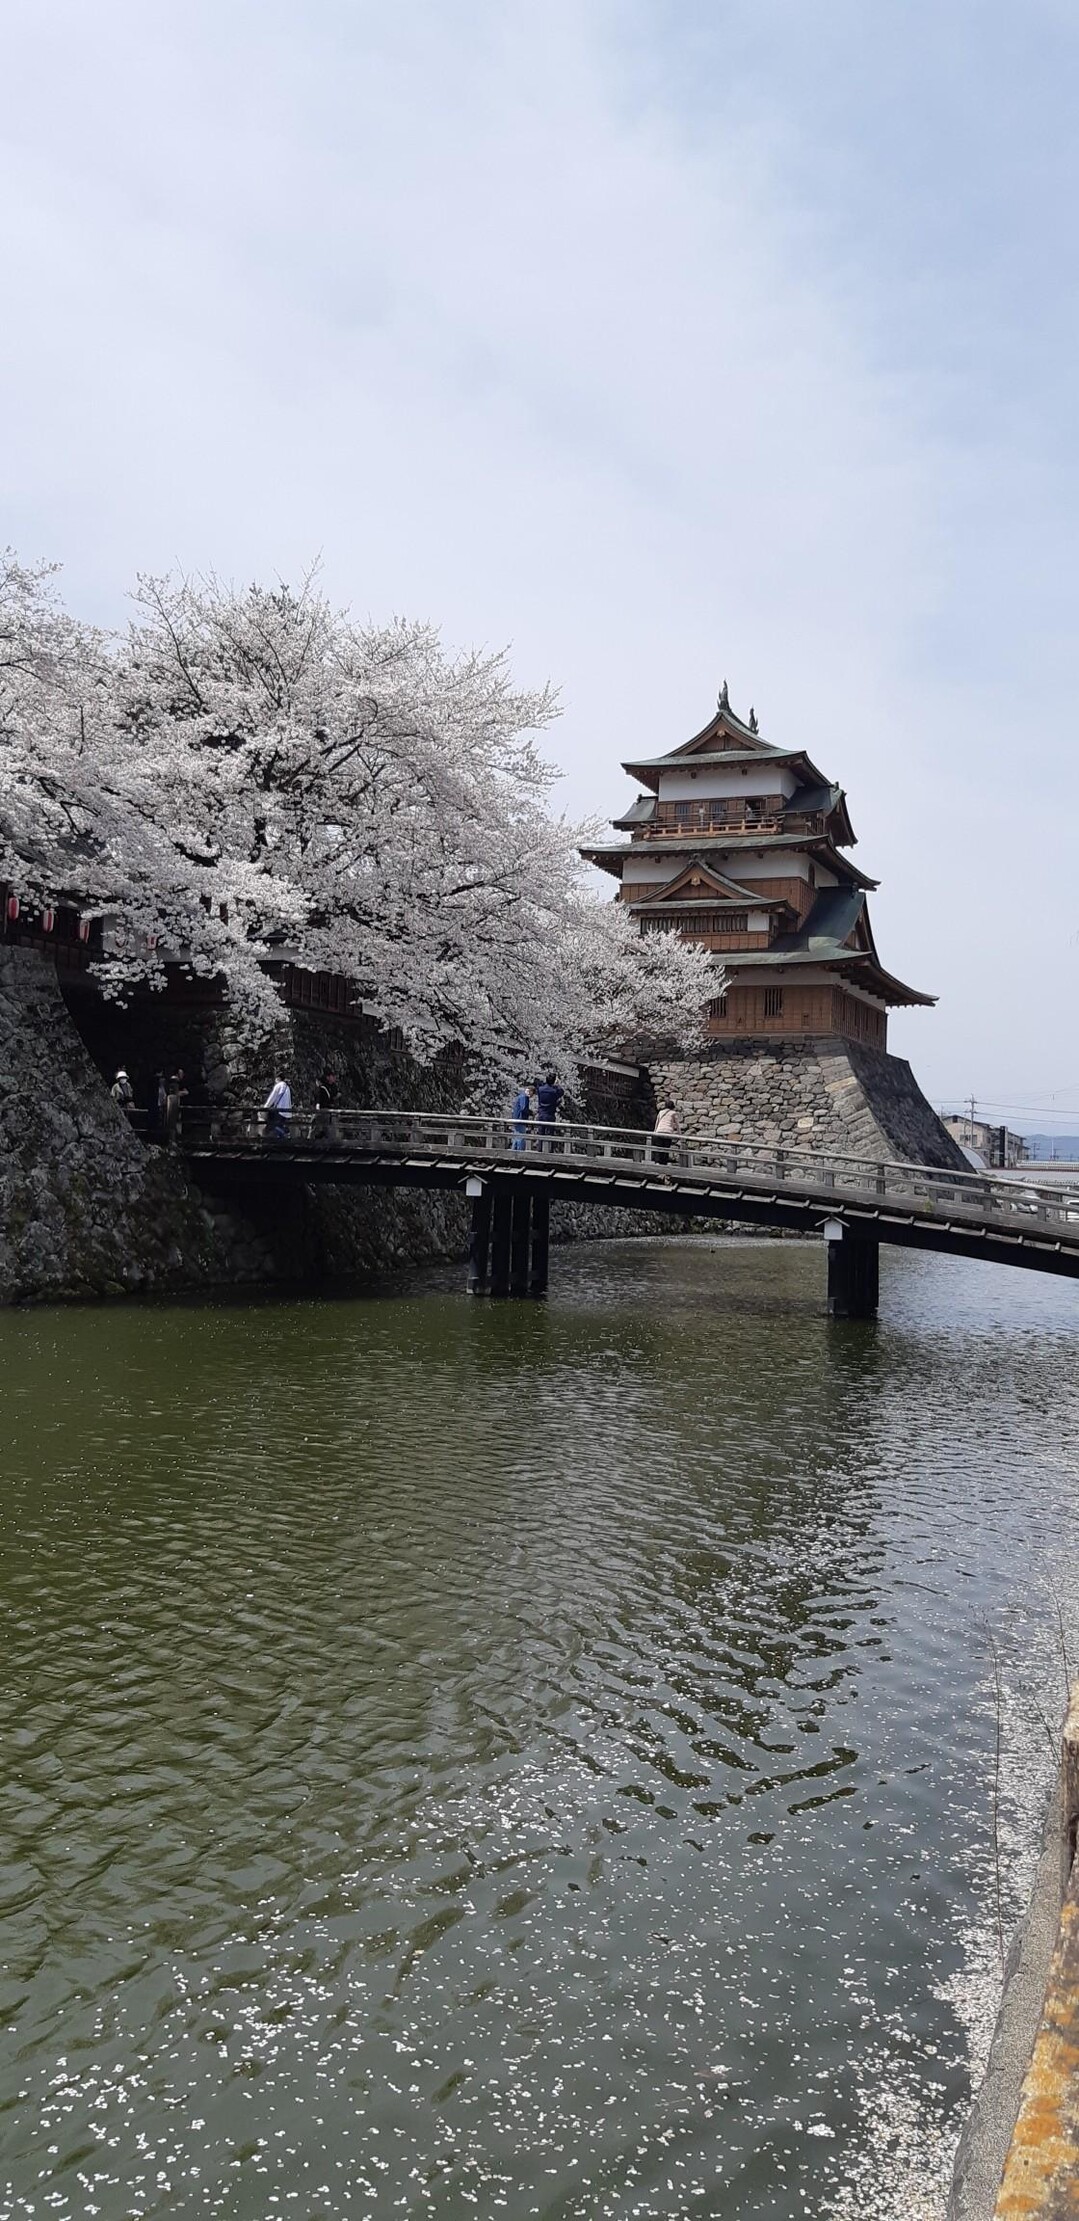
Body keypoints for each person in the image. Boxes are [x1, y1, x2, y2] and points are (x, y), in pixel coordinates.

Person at [536, 1071, 564, 1152]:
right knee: (550, 1135)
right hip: (550, 1114)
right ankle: (549, 1151)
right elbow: (561, 1092)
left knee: (540, 1133)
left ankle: (540, 1151)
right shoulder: (554, 1091)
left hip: (541, 1113)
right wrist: (557, 1084)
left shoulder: (540, 1089)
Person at [264, 1072, 292, 1141]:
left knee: (272, 1125)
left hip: (279, 1111)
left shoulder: (278, 1085)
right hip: (287, 1112)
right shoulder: (287, 1087)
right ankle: (283, 1138)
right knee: (280, 1126)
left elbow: (272, 1098)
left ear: (278, 1078)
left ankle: (285, 1134)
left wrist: (265, 1107)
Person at [164, 1067, 188, 1147]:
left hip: (174, 1103)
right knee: (173, 1122)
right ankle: (173, 1140)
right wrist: (184, 1092)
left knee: (175, 1121)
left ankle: (174, 1139)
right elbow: (176, 1093)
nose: (183, 1075)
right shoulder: (174, 1082)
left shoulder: (176, 1083)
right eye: (181, 1073)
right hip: (173, 1103)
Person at [312, 1070, 338, 1142]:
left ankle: (312, 1140)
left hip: (326, 1111)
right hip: (325, 1110)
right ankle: (326, 1140)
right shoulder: (325, 1088)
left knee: (319, 1127)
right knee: (324, 1128)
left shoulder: (326, 1088)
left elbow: (319, 1101)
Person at [653, 1099, 680, 1166]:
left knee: (659, 1148)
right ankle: (664, 1163)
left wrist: (655, 1132)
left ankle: (657, 1162)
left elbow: (657, 1123)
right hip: (668, 1132)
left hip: (659, 1131)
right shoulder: (673, 1113)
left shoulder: (661, 1112)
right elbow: (677, 1124)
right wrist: (680, 1134)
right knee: (666, 1148)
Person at [511, 1080, 532, 1152]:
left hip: (516, 1118)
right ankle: (519, 1152)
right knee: (520, 1136)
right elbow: (523, 1108)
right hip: (520, 1119)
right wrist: (530, 1113)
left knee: (516, 1136)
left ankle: (513, 1151)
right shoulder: (524, 1097)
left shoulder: (520, 1096)